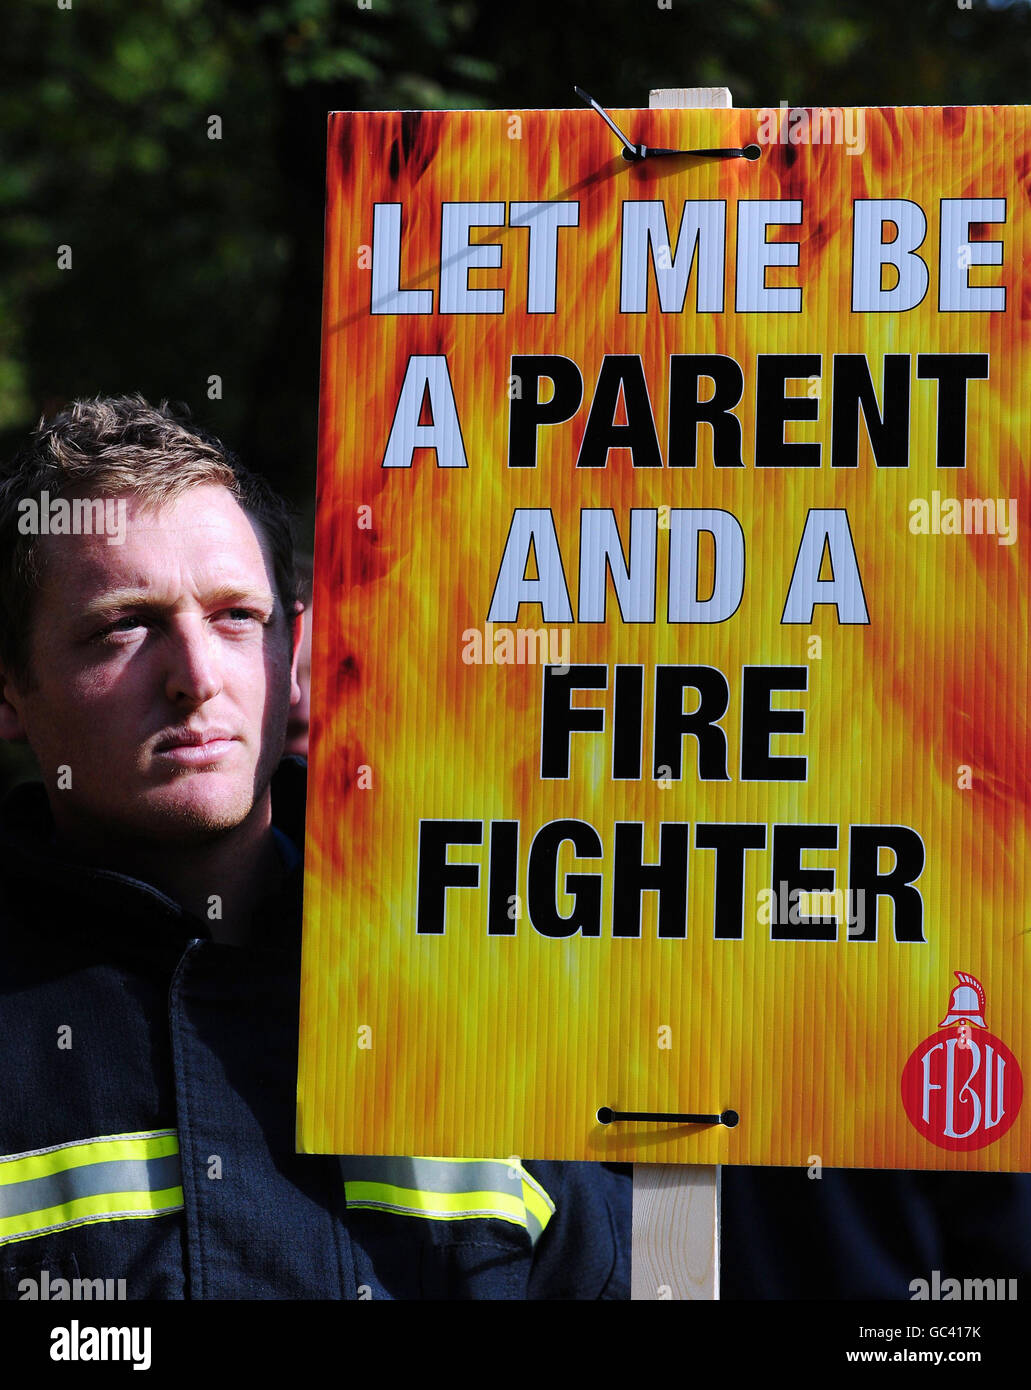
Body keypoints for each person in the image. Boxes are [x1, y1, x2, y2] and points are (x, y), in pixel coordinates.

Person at [0, 394, 630, 1301]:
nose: (195, 677)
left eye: (234, 617)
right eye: (122, 626)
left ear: (291, 650)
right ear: (9, 688)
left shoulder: (475, 970)